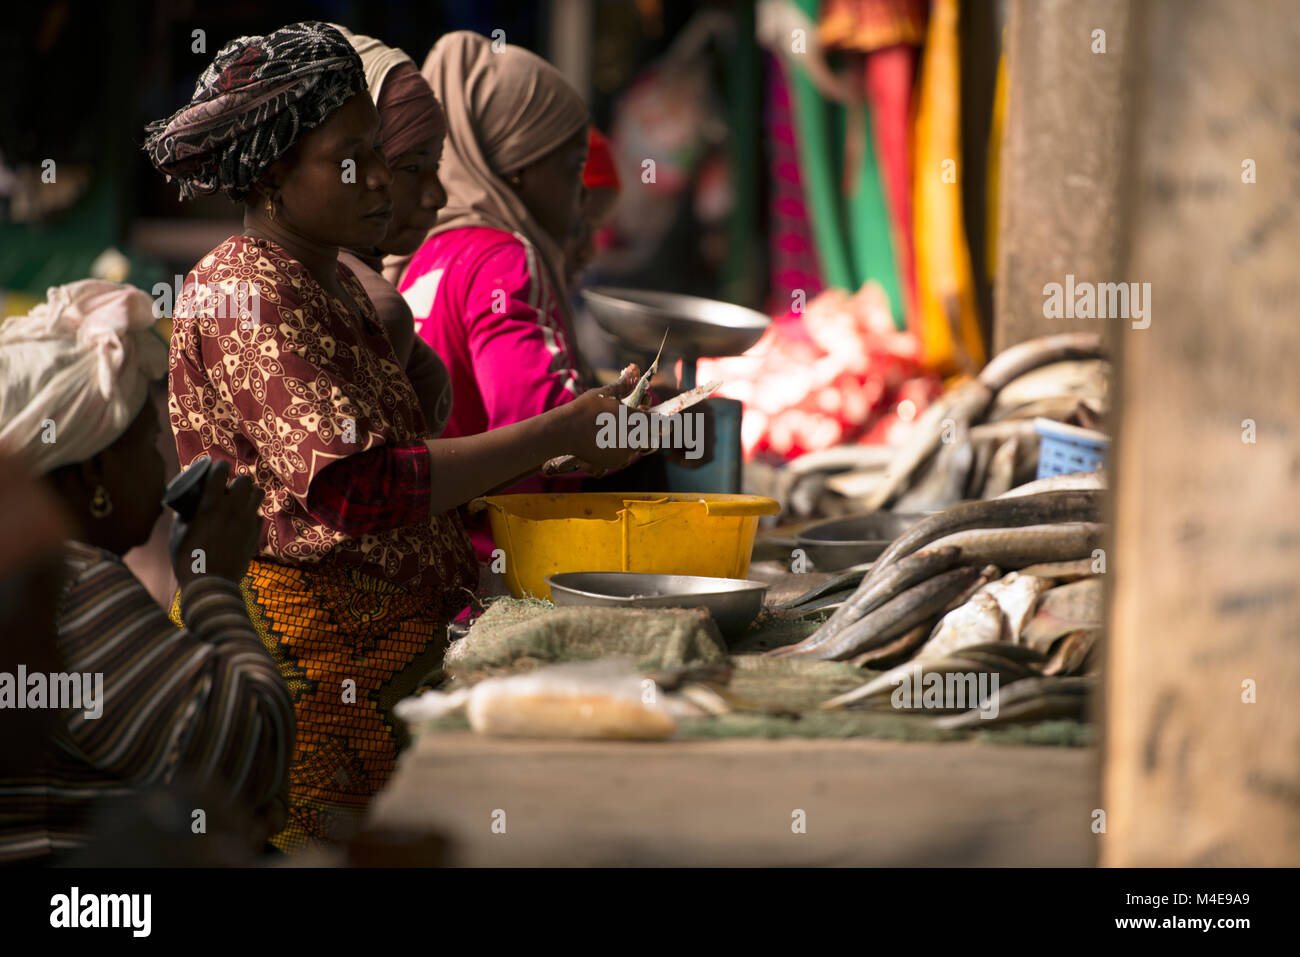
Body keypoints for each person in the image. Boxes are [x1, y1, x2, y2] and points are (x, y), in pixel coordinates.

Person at [143, 22, 639, 852]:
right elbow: (362, 486)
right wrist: (557, 429)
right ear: (270, 172)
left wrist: (557, 446)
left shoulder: (333, 280)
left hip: (383, 650)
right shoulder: (244, 291)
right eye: (350, 159)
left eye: (378, 151)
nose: (381, 179)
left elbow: (413, 467)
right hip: (312, 661)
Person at [0, 280, 292, 864]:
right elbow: (248, 753)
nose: (161, 461)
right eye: (147, 442)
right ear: (97, 474)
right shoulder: (73, 590)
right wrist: (211, 584)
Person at [393, 30, 595, 559]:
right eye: (573, 168)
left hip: (428, 559)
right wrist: (657, 429)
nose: (585, 193)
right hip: (494, 568)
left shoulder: (422, 253)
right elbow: (542, 428)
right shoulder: (503, 258)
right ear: (520, 171)